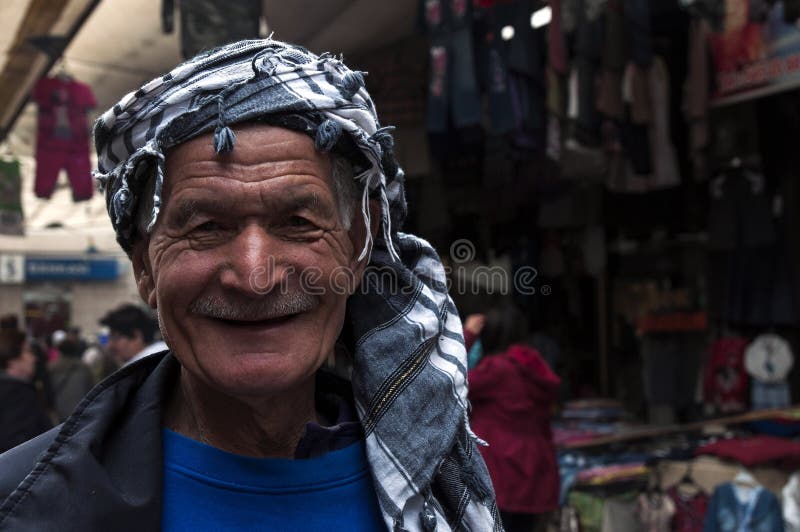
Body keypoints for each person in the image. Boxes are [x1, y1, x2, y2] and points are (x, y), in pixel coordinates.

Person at [0, 39, 499, 531]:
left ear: (356, 248)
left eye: (298, 223)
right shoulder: (23, 505)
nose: (255, 277)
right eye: (206, 228)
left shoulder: (439, 486)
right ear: (144, 268)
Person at [468, 305, 561, 532]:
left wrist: (467, 336)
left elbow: (448, 381)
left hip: (502, 473)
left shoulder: (496, 369)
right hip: (536, 472)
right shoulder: (534, 365)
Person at [0, 329, 53, 453]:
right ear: (12, 361)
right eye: (28, 351)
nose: (34, 358)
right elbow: (19, 448)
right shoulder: (17, 394)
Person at [98, 304, 167, 367]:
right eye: (109, 338)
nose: (110, 345)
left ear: (136, 336)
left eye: (115, 338)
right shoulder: (163, 353)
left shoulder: (147, 364)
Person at [48, 337, 95, 422]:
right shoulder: (84, 368)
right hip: (79, 413)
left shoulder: (51, 368)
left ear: (60, 350)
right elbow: (91, 390)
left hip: (59, 413)